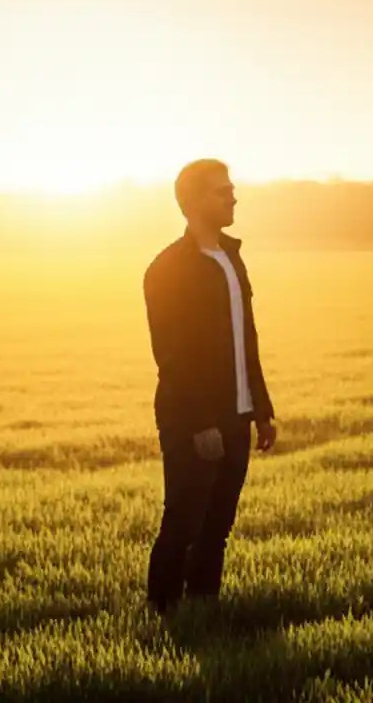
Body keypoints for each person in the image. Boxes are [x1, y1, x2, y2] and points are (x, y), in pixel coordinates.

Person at [142, 158, 277, 615]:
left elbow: (247, 337)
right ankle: (162, 616)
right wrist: (201, 424)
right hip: (193, 421)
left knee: (217, 529)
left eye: (232, 187)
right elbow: (173, 356)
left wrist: (260, 407)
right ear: (194, 201)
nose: (233, 196)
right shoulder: (167, 269)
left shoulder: (233, 257)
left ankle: (203, 614)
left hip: (237, 415)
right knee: (182, 524)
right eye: (222, 191)